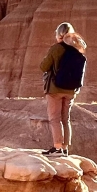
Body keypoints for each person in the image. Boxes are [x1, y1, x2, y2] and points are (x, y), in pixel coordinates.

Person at [40, 22, 87, 156]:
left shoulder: (56, 48)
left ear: (58, 34)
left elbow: (44, 66)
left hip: (55, 89)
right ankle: (65, 149)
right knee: (65, 119)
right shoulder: (77, 49)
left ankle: (57, 148)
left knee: (54, 118)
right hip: (71, 90)